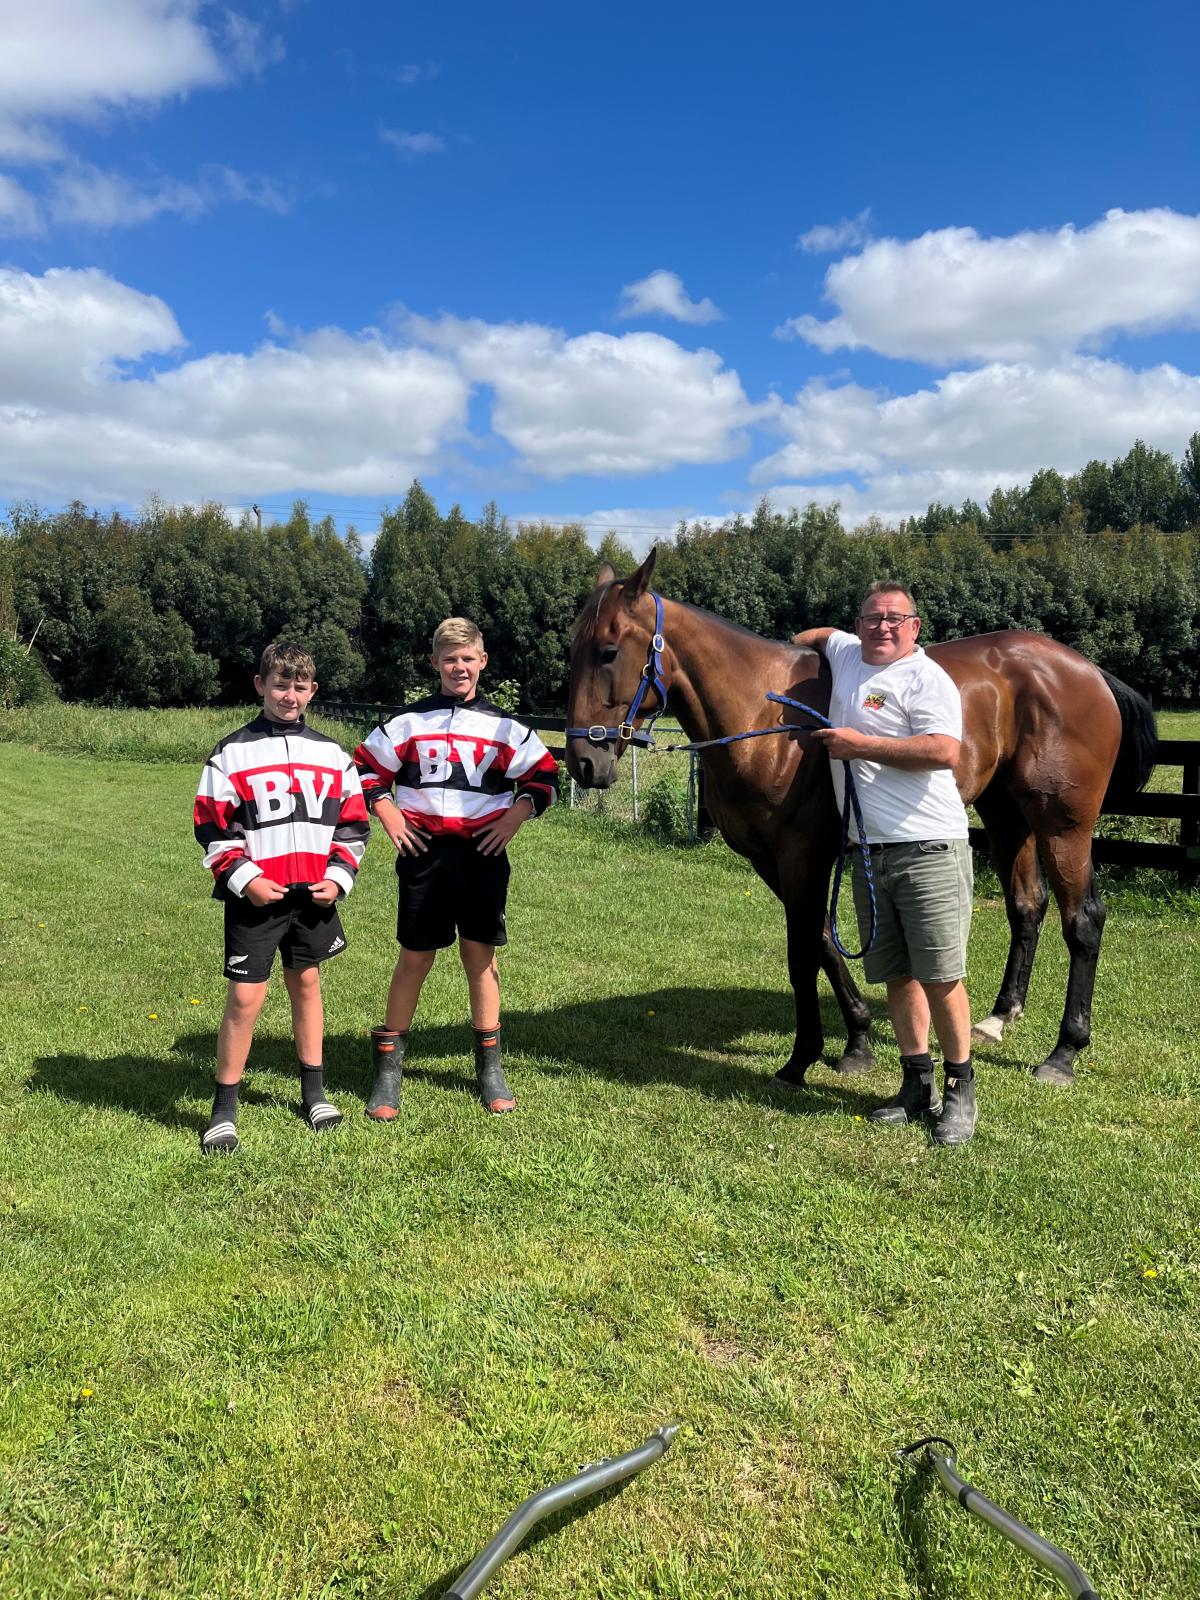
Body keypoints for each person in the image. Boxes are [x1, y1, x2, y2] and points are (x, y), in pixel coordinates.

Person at [793, 582, 978, 1145]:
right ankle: (916, 1083)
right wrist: (789, 647)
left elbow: (944, 751)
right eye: (873, 617)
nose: (884, 626)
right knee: (897, 975)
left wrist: (860, 745)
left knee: (941, 976)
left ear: (915, 627)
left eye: (896, 618)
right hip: (869, 853)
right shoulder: (848, 652)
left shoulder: (926, 678)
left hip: (928, 847)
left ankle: (961, 1090)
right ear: (859, 624)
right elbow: (817, 635)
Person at [353, 618, 559, 1118]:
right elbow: (362, 768)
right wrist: (387, 810)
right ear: (435, 663)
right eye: (449, 659)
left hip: (482, 855)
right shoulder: (408, 722)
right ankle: (388, 1071)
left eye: (468, 658)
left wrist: (515, 815)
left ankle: (490, 1068)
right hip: (423, 853)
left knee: (480, 957)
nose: (459, 667)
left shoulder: (505, 727)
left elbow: (544, 776)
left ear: (482, 661)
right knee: (415, 957)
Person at [193, 641, 370, 1154]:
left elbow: (354, 825)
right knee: (245, 998)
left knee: (307, 985)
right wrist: (244, 877)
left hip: (313, 896)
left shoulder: (332, 754)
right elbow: (212, 825)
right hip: (257, 898)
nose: (289, 695)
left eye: (299, 687)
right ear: (260, 686)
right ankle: (224, 1110)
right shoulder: (231, 753)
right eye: (279, 685)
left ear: (312, 691)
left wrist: (338, 877)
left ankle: (314, 1094)